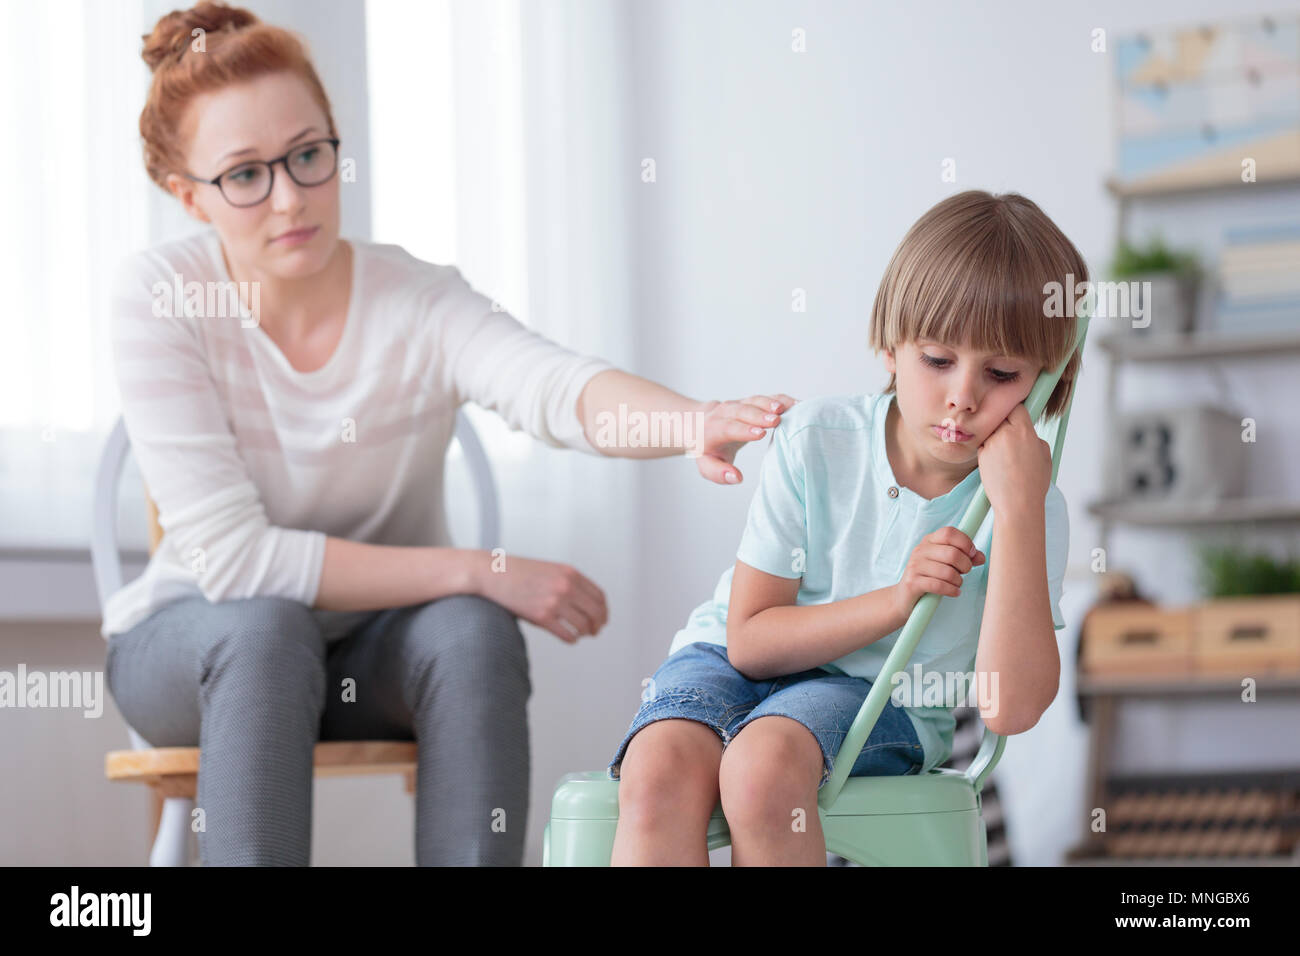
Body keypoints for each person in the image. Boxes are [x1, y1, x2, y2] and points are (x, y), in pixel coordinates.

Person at [102, 0, 794, 867]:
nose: (291, 197)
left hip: (372, 652)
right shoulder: (159, 295)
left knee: (470, 632)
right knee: (268, 628)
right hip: (196, 650)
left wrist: (688, 420)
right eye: (246, 174)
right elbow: (237, 564)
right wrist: (481, 567)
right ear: (188, 197)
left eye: (310, 155)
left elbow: (551, 383)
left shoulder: (415, 299)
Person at [608, 189, 1081, 865]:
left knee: (761, 770)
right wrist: (896, 600)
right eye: (938, 360)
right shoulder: (816, 438)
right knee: (656, 771)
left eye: (1002, 373)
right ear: (890, 347)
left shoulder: (1029, 504)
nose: (963, 396)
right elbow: (748, 644)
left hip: (879, 696)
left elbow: (1011, 710)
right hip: (734, 658)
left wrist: (1019, 509)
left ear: (1045, 384)